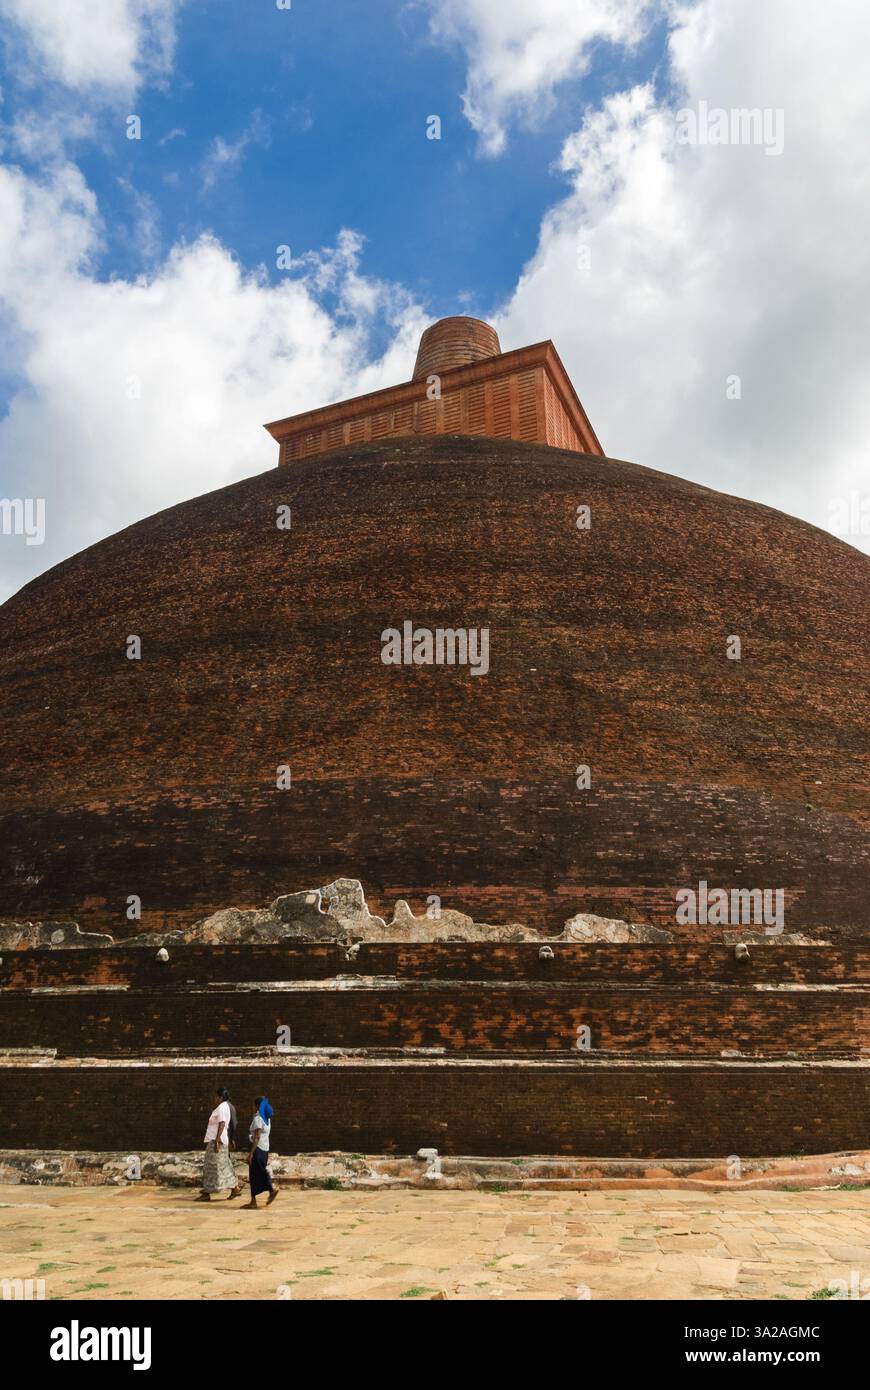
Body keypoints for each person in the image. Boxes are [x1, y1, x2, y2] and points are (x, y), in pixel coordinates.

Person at [198, 1086, 242, 1201]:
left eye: (216, 1097)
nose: (214, 1099)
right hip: (219, 1140)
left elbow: (222, 1123)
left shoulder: (222, 1107)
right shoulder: (225, 1106)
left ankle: (207, 1192)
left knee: (210, 1166)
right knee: (223, 1165)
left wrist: (217, 1140)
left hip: (217, 1141)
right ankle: (234, 1187)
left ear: (220, 1097)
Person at [242, 1096, 278, 1209]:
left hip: (257, 1149)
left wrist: (251, 1154)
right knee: (259, 1171)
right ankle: (256, 1198)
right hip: (265, 1149)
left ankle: (269, 1191)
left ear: (257, 1106)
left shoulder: (258, 1118)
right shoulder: (267, 1118)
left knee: (255, 1173)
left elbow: (256, 1137)